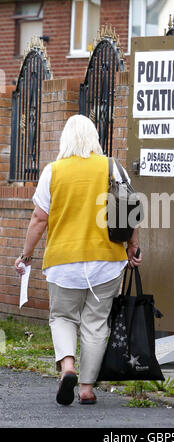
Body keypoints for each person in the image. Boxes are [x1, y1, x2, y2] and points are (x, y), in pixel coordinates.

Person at [14, 114, 142, 406]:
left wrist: (26, 254)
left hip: (63, 261)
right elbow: (132, 209)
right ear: (94, 138)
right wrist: (133, 246)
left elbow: (39, 218)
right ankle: (86, 388)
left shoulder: (53, 171)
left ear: (65, 139)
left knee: (62, 317)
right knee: (96, 323)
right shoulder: (113, 167)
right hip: (106, 260)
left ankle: (68, 367)